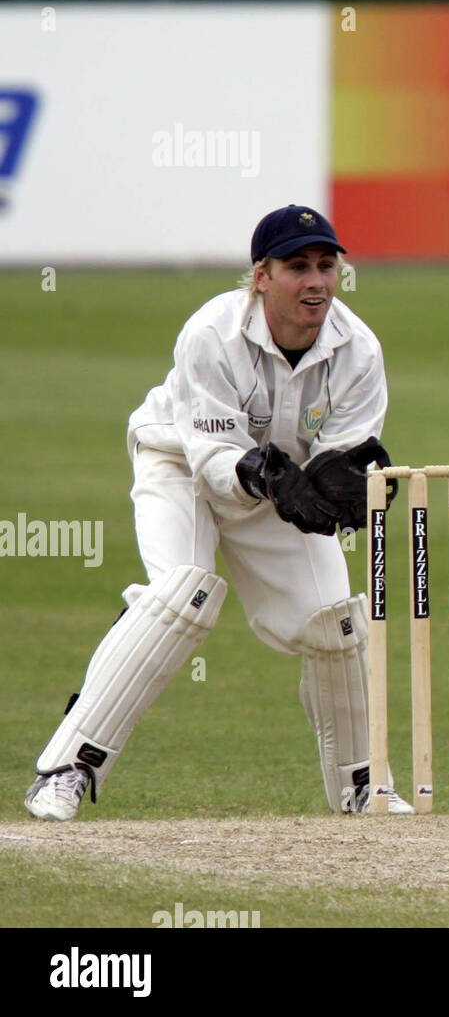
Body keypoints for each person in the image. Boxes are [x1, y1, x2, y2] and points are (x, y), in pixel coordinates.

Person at [25, 204, 407, 820]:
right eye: (298, 267)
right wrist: (269, 476)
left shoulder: (358, 350)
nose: (316, 281)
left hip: (272, 489)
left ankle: (364, 788)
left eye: (327, 266)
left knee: (336, 623)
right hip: (181, 465)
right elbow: (211, 461)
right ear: (262, 277)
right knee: (183, 596)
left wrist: (342, 489)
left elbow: (344, 457)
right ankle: (65, 769)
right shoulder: (211, 333)